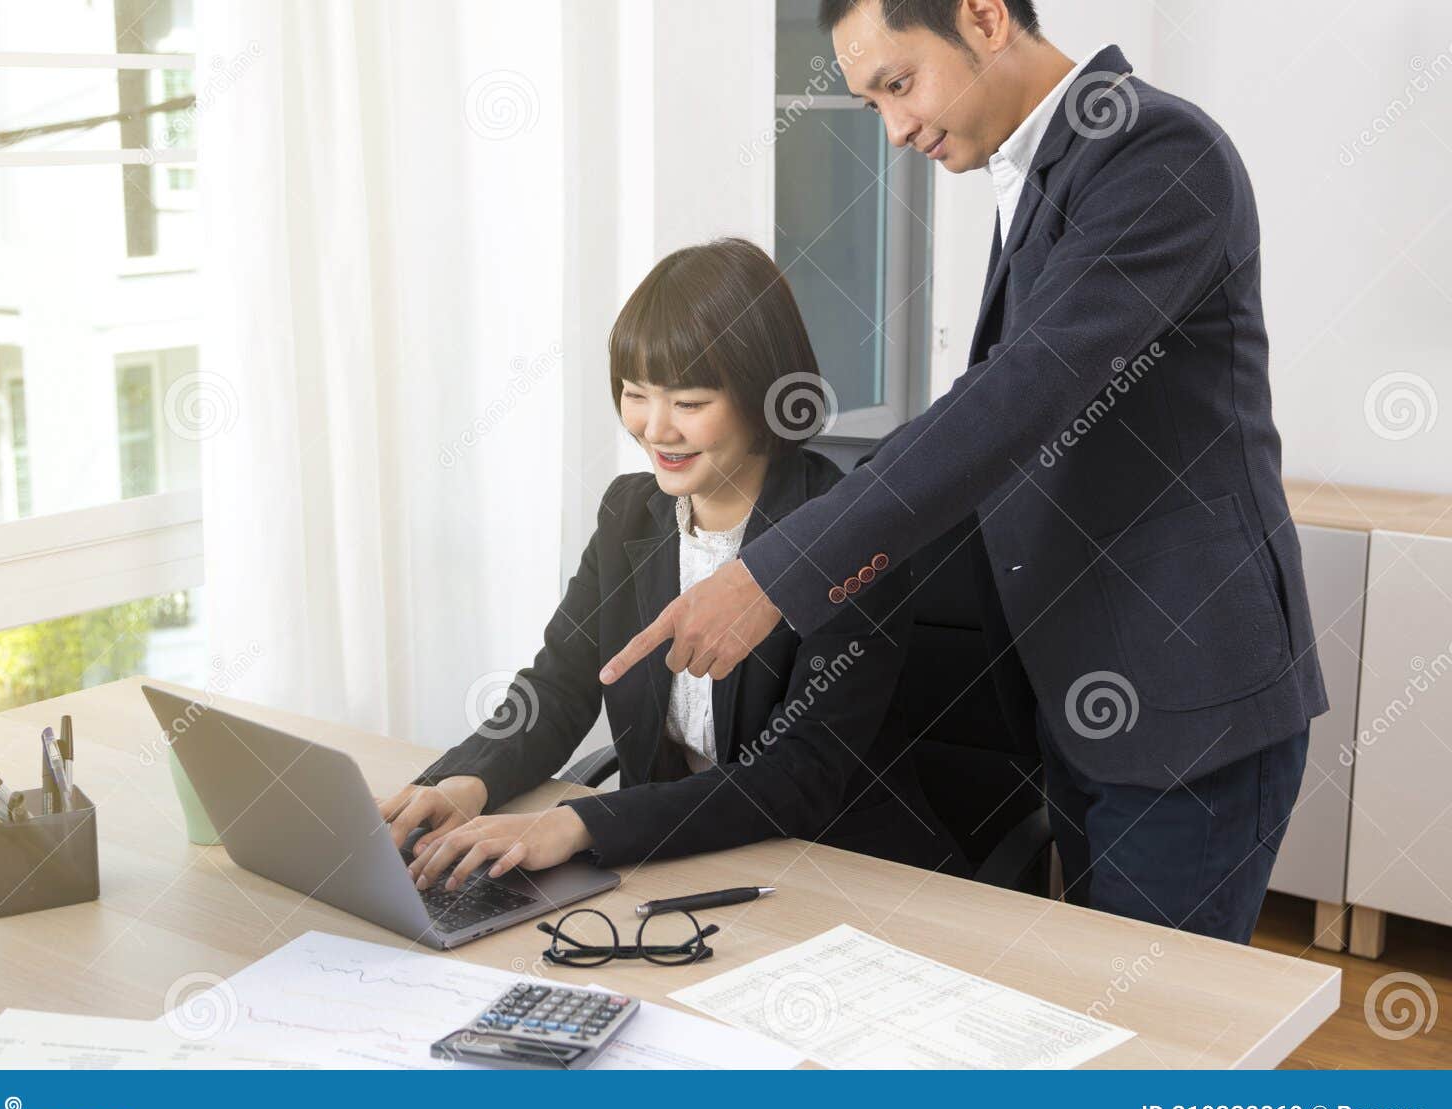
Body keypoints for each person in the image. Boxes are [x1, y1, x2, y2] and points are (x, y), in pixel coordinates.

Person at [601, 0, 1328, 945]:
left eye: (899, 85)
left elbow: (1018, 398)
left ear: (983, 16)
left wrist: (775, 573)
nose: (896, 129)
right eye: (871, 103)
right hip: (1087, 690)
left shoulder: (1158, 151)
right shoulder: (1035, 173)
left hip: (1187, 695)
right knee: (1093, 1005)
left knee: (1158, 1043)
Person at [378, 237, 964, 892]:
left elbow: (796, 778)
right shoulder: (631, 514)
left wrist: (579, 824)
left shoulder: (841, 533)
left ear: (763, 395)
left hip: (841, 873)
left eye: (689, 403)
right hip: (679, 863)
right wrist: (468, 780)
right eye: (635, 393)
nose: (656, 428)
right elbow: (562, 684)